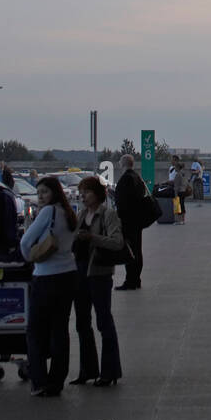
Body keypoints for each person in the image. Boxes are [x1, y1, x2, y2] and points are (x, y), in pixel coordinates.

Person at [20, 176, 78, 396]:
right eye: (39, 193)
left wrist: (30, 257)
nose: (41, 196)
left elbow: (26, 242)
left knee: (35, 330)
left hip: (46, 277)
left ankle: (39, 380)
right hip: (68, 275)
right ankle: (57, 381)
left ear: (54, 192)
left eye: (44, 192)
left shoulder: (47, 212)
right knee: (60, 330)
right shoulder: (68, 212)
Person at [70, 175, 124, 386]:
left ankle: (110, 371)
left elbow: (117, 242)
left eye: (88, 192)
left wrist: (92, 238)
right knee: (82, 322)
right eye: (82, 192)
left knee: (103, 321)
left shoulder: (108, 214)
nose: (83, 196)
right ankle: (88, 369)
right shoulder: (82, 213)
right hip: (81, 271)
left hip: (99, 272)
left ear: (98, 195)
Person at [113, 153, 146, 290]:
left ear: (123, 163)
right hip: (137, 220)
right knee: (137, 250)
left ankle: (130, 280)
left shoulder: (126, 179)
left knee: (130, 250)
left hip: (128, 221)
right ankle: (136, 279)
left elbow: (123, 201)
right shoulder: (137, 177)